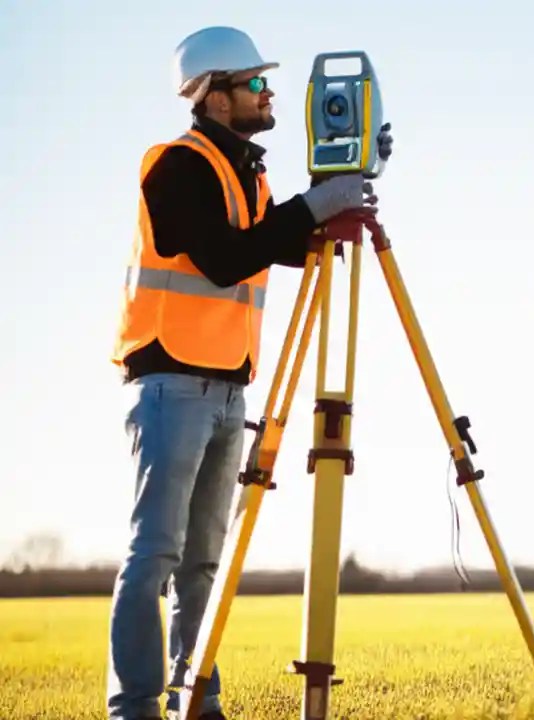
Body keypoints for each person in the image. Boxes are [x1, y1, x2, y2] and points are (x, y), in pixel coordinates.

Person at [106, 26, 391, 720]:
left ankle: (197, 699)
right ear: (216, 97)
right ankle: (136, 707)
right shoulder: (176, 166)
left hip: (229, 385)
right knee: (155, 556)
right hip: (171, 383)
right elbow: (222, 257)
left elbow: (280, 246)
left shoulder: (248, 171)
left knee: (203, 562)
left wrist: (341, 192)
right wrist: (314, 206)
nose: (269, 95)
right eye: (255, 85)